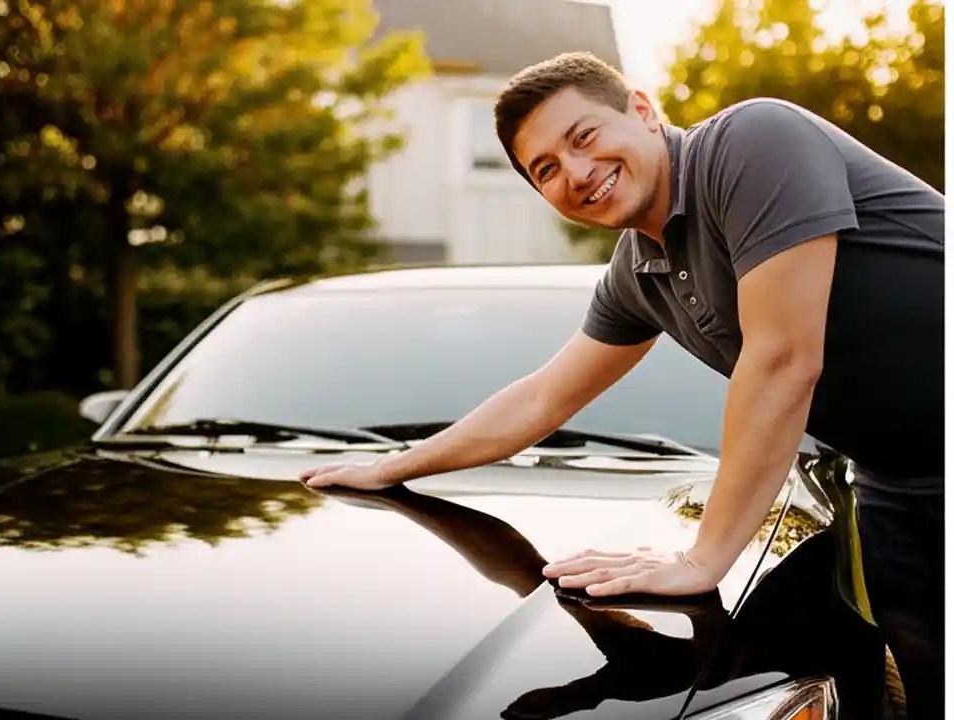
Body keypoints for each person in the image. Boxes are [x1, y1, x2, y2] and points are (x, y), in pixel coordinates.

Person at [298, 51, 943, 716]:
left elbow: (781, 359)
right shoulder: (639, 273)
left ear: (641, 110)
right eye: (545, 169)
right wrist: (395, 466)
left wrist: (702, 560)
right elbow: (543, 398)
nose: (576, 172)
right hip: (898, 480)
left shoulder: (754, 143)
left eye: (584, 136)